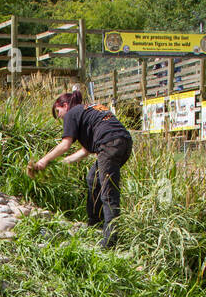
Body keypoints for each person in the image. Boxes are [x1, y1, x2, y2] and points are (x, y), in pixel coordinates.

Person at [28, 89, 133, 249]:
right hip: (123, 143)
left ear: (64, 105)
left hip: (109, 145)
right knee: (93, 178)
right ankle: (95, 224)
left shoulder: (72, 113)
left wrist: (43, 161)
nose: (60, 117)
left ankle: (109, 242)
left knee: (108, 193)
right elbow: (85, 151)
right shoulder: (88, 110)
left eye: (58, 112)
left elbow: (65, 144)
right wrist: (61, 164)